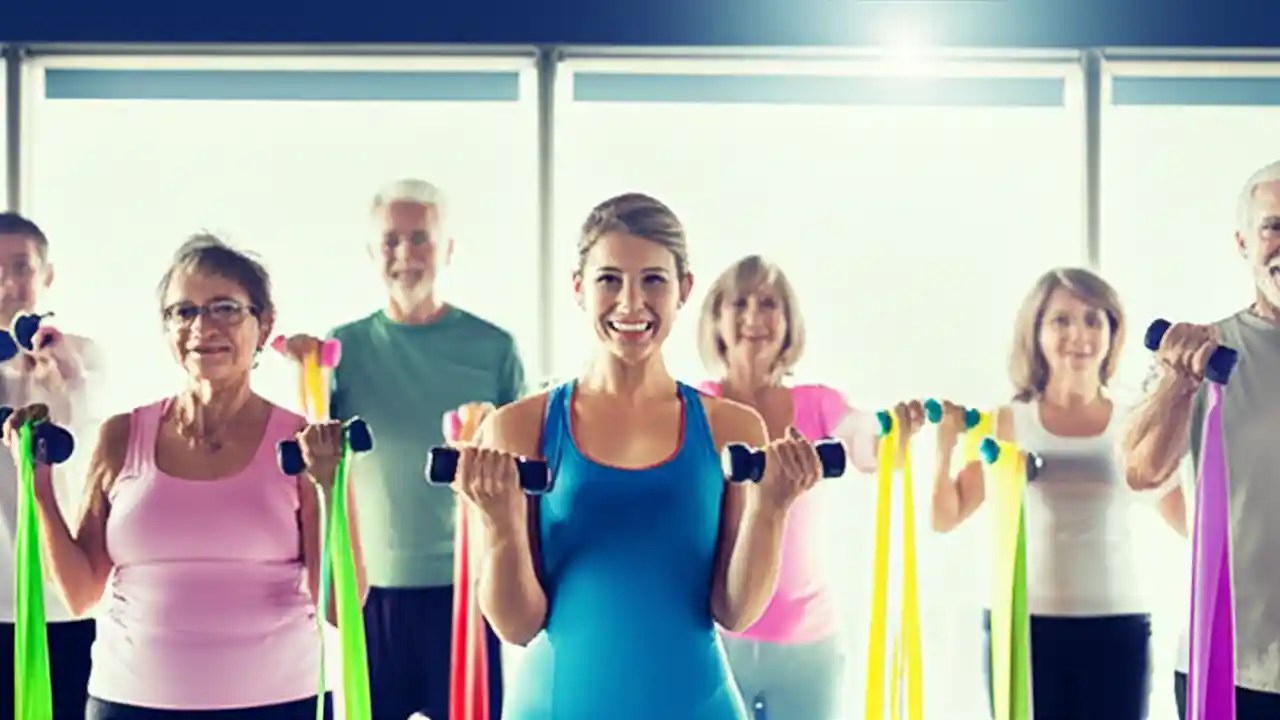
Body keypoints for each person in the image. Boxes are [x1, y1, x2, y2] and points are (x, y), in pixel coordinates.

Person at [447, 192, 832, 720]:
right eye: (609, 279)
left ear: (684, 291)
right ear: (579, 288)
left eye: (653, 279)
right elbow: (516, 626)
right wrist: (499, 521)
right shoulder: (518, 428)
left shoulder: (733, 428)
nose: (631, 303)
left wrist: (771, 509)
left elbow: (735, 611)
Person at [2, 234, 366, 719]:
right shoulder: (121, 436)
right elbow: (79, 591)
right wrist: (37, 483)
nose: (202, 327)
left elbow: (342, 607)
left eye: (225, 308)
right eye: (184, 312)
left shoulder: (301, 444)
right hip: (130, 702)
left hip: (276, 703)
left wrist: (332, 487)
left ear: (265, 324)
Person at [280, 178, 525, 720]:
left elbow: (524, 477)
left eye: (421, 239)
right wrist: (303, 375)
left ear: (449, 249)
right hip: (371, 598)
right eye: (391, 241)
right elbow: (317, 458)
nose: (405, 255)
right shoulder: (341, 349)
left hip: (465, 596)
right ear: (372, 252)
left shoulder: (494, 349)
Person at [931, 267, 1185, 720]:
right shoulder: (1007, 422)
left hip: (1116, 627)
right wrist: (945, 444)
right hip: (1022, 633)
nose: (1079, 335)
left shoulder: (1134, 423)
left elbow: (1192, 522)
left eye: (1093, 319)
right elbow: (945, 516)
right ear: (1036, 332)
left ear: (1112, 332)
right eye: (1061, 320)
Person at [693, 254, 923, 720]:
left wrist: (892, 430)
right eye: (739, 304)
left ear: (789, 322)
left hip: (807, 641)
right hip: (718, 635)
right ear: (716, 319)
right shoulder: (697, 406)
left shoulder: (817, 403)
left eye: (769, 304)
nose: (754, 318)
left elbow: (865, 444)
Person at [1121, 159, 1280, 719]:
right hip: (1231, 666)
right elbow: (1141, 474)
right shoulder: (1206, 353)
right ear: (1244, 242)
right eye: (1274, 226)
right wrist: (1178, 384)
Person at [0, 212, 101, 719]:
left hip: (65, 601)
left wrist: (67, 385)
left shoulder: (83, 357)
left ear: (47, 275)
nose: (7, 283)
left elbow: (98, 457)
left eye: (21, 267)